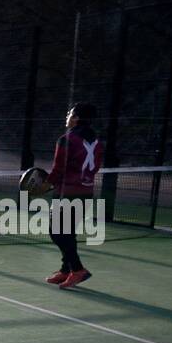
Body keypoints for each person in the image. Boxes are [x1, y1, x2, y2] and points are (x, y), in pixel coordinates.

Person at [44, 102, 103, 289]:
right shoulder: (97, 141)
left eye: (69, 113)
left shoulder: (66, 139)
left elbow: (58, 168)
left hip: (66, 193)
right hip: (85, 193)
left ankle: (77, 269)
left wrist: (46, 184)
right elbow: (95, 168)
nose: (67, 117)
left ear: (76, 117)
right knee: (68, 232)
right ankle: (65, 269)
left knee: (56, 232)